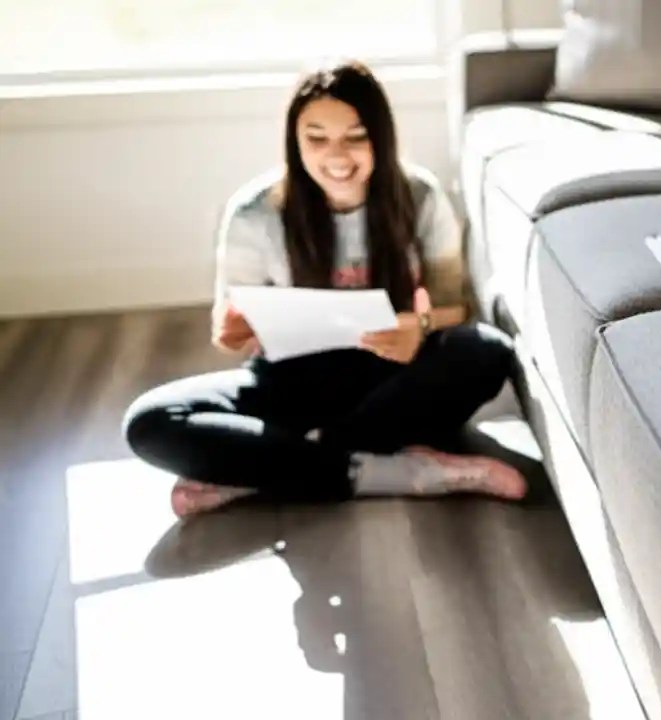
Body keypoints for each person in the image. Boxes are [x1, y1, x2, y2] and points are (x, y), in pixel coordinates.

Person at [123, 61, 526, 518]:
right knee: (150, 422)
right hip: (289, 382)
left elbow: (458, 305)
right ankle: (397, 471)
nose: (337, 156)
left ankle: (263, 473)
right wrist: (234, 333)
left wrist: (422, 324)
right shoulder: (254, 213)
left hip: (391, 374)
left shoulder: (420, 196)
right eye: (316, 139)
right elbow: (231, 329)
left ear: (381, 137)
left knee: (486, 349)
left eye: (356, 137)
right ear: (296, 144)